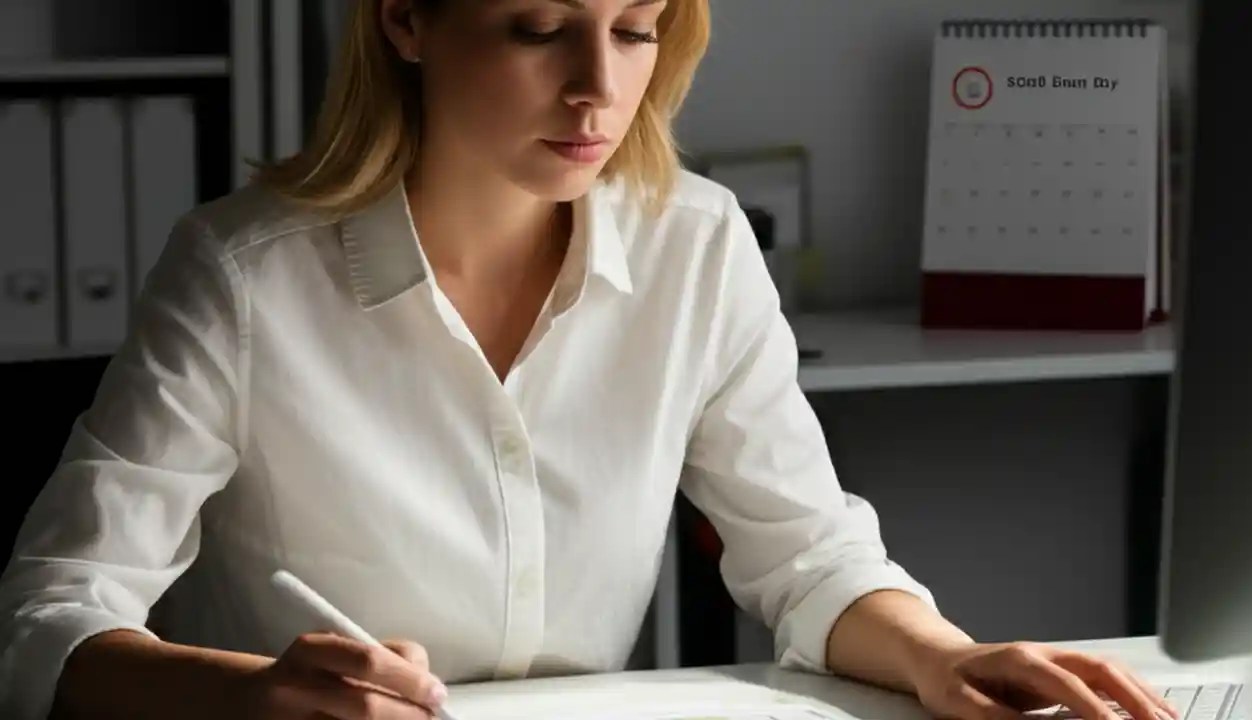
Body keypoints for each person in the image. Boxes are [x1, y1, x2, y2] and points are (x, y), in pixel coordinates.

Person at [0, 1, 1183, 719]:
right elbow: (53, 614)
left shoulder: (695, 242)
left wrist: (945, 658)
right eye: (537, 29)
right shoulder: (242, 274)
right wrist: (246, 700)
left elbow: (806, 553)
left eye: (634, 31)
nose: (598, 90)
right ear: (406, 19)